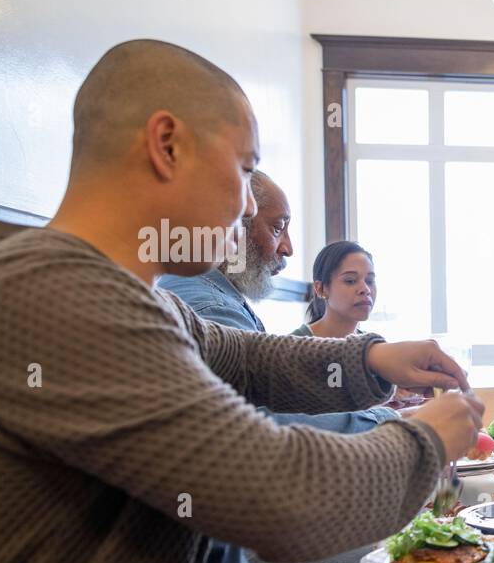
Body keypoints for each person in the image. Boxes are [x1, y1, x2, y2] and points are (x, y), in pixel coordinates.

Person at [0, 39, 484, 563]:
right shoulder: (52, 295)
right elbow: (282, 496)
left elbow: (246, 359)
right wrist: (431, 439)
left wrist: (374, 358)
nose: (251, 204)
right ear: (166, 143)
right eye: (247, 168)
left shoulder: (126, 291)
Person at [160, 172, 395, 433]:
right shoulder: (213, 307)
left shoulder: (213, 296)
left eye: (370, 280)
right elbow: (257, 424)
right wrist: (388, 420)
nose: (288, 248)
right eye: (277, 228)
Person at [293, 240, 375, 337]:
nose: (366, 289)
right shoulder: (291, 346)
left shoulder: (373, 346)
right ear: (320, 289)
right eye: (350, 281)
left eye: (369, 281)